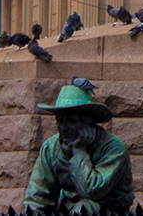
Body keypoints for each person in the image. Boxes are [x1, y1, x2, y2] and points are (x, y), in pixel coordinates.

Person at [23, 85, 133, 215]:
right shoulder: (51, 147)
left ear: (88, 124)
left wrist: (79, 152)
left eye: (71, 121)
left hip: (107, 211)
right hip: (66, 211)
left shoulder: (114, 148)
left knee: (85, 208)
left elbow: (92, 191)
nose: (63, 127)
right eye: (60, 121)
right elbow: (37, 196)